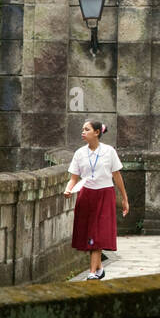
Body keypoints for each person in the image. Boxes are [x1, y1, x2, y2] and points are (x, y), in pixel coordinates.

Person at [63, 119, 128, 280]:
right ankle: (98, 268)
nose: (83, 132)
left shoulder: (109, 151)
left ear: (97, 132)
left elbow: (117, 176)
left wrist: (124, 199)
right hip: (86, 195)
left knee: (98, 234)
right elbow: (74, 178)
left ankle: (92, 273)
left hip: (105, 194)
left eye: (87, 129)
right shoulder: (79, 153)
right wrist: (68, 188)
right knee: (89, 234)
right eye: (82, 129)